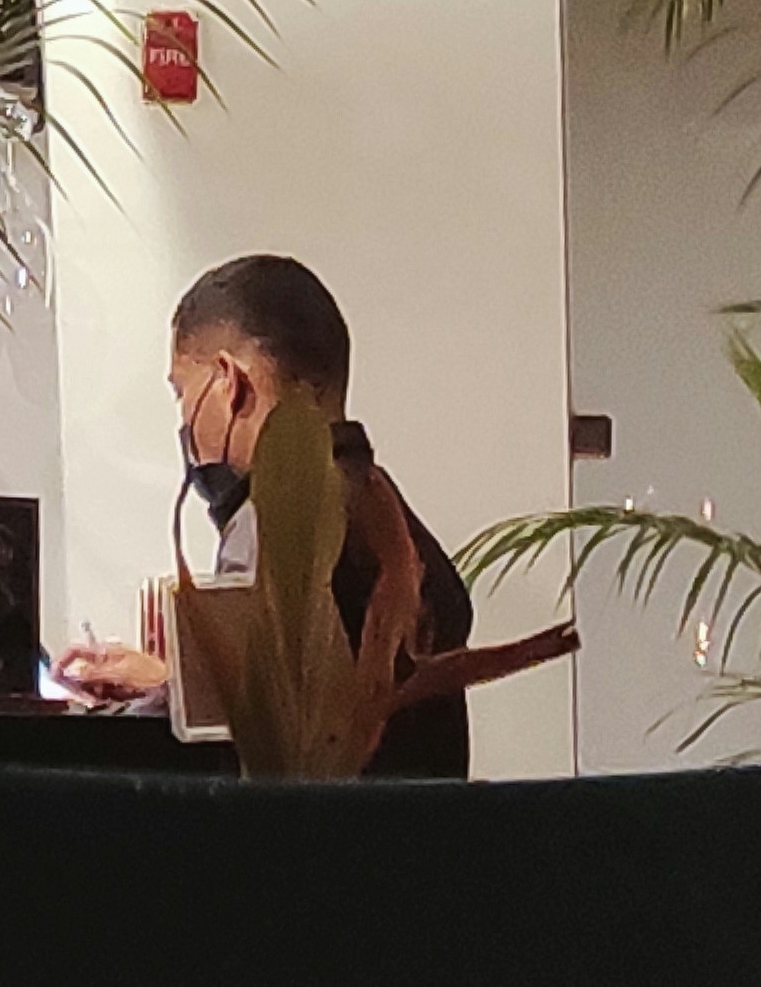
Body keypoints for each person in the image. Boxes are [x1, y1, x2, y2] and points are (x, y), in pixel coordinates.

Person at [50, 251, 479, 778]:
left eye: (181, 391)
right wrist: (171, 685)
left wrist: (118, 714)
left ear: (229, 384)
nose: (184, 418)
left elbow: (235, 757)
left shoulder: (275, 521)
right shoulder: (387, 511)